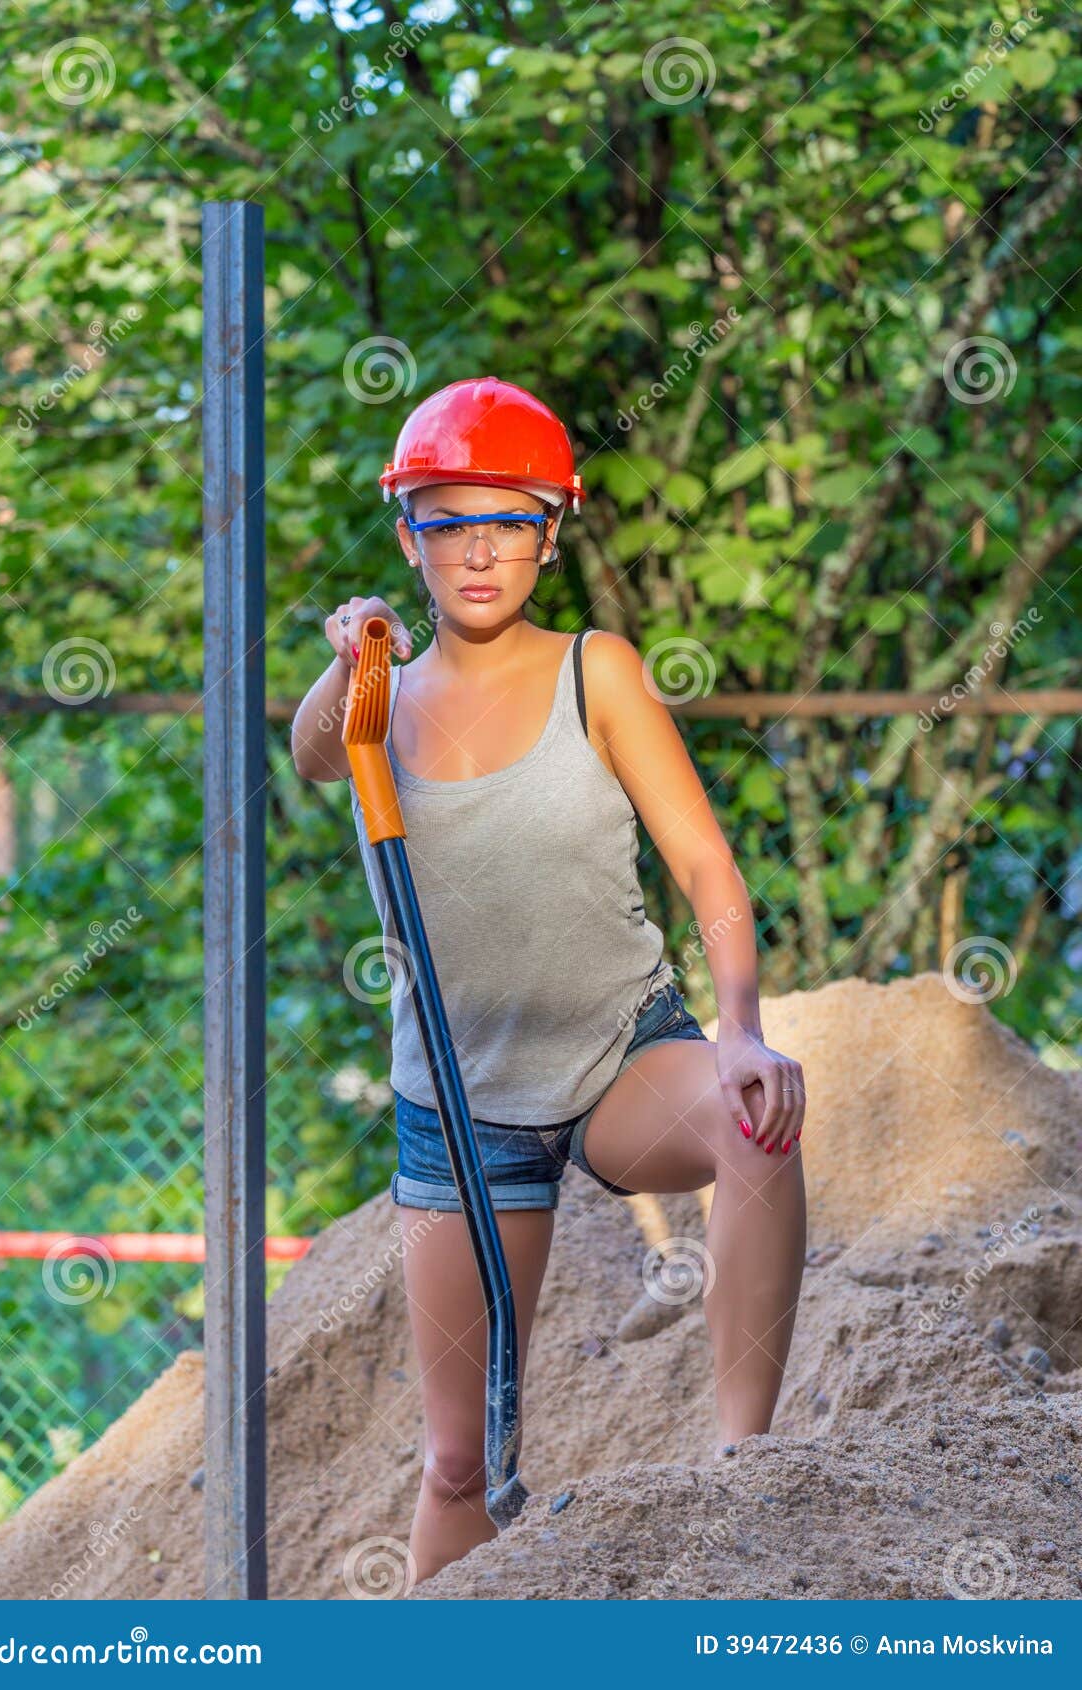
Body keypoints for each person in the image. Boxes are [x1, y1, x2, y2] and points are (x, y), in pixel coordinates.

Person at [291, 375, 807, 1584]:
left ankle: (745, 1473)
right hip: (460, 1109)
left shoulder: (597, 670)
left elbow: (705, 864)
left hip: (620, 1057)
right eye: (447, 522)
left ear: (552, 532)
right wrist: (355, 653)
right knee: (459, 1465)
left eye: (509, 520)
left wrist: (739, 1028)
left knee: (757, 1118)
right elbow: (314, 751)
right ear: (408, 537)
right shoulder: (379, 697)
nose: (479, 550)